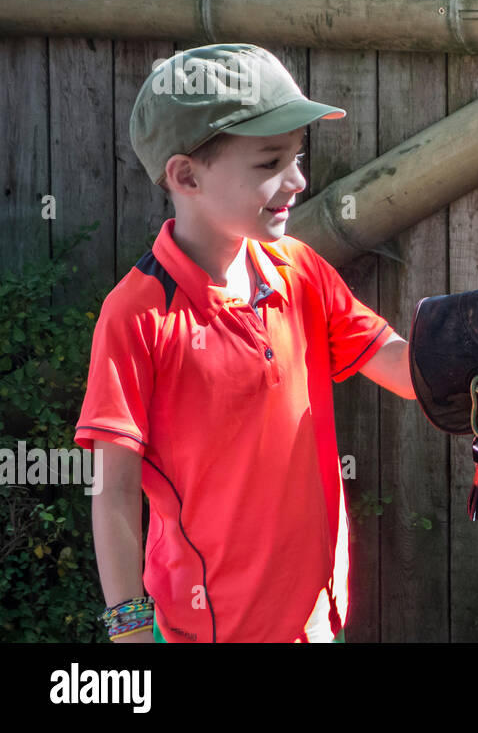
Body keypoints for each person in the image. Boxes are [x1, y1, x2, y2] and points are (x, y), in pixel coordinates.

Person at [75, 44, 422, 643]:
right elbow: (113, 493)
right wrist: (128, 633)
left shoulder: (301, 271)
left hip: (315, 624)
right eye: (269, 164)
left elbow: (406, 369)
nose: (298, 180)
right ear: (186, 175)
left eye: (296, 157)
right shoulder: (134, 316)